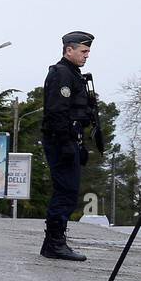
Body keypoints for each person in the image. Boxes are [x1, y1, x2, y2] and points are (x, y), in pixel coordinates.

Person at [40, 31, 97, 262]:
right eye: (83, 51)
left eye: (88, 52)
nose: (87, 56)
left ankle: (52, 243)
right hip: (59, 140)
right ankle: (55, 243)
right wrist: (65, 144)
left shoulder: (74, 74)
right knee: (65, 193)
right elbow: (56, 112)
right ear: (69, 50)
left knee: (68, 192)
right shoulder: (62, 74)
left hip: (69, 139)